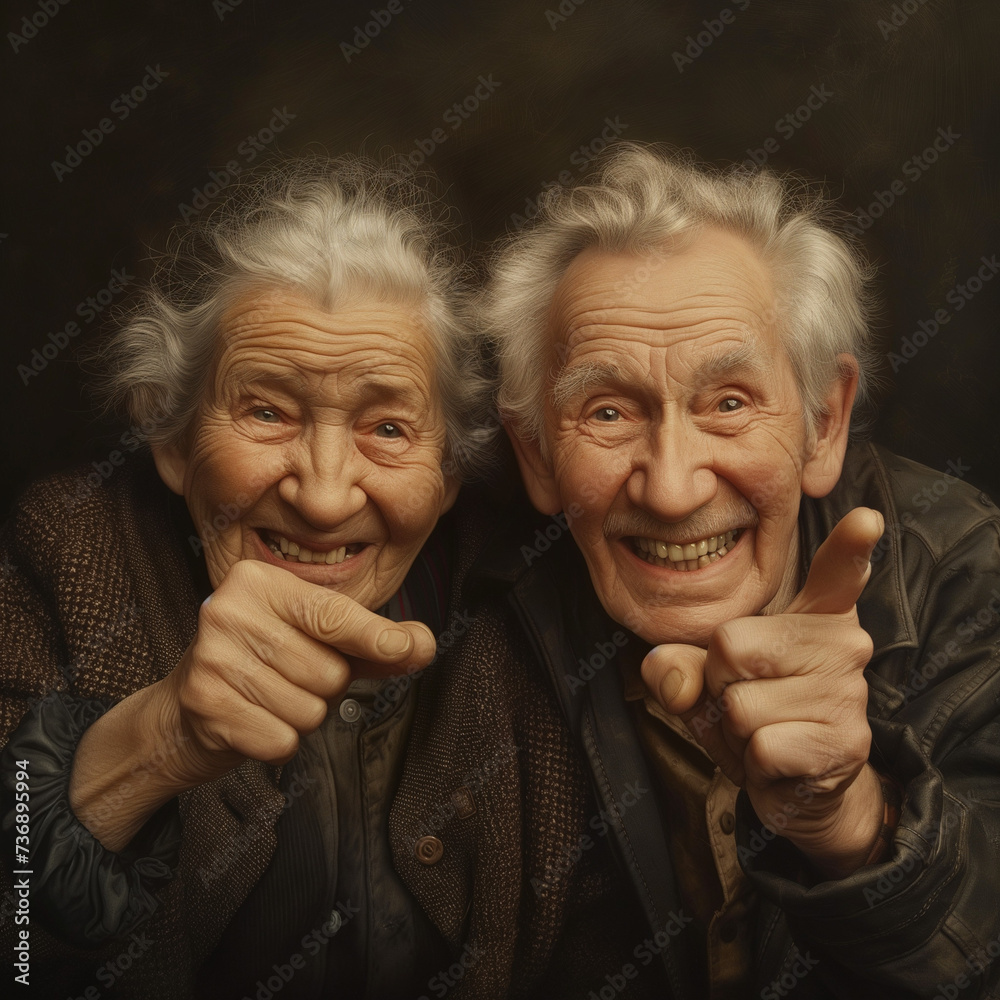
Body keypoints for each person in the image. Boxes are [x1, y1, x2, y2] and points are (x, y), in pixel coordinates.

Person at [0, 158, 613, 1000]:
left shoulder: (538, 612)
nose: (324, 496)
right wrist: (154, 745)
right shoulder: (65, 563)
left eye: (388, 426)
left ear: (448, 473)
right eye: (266, 411)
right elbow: (16, 955)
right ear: (173, 441)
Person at [483, 143, 1000, 997]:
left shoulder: (967, 575)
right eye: (607, 411)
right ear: (535, 452)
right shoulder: (468, 597)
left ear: (824, 423)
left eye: (728, 403)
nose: (674, 487)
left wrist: (854, 817)